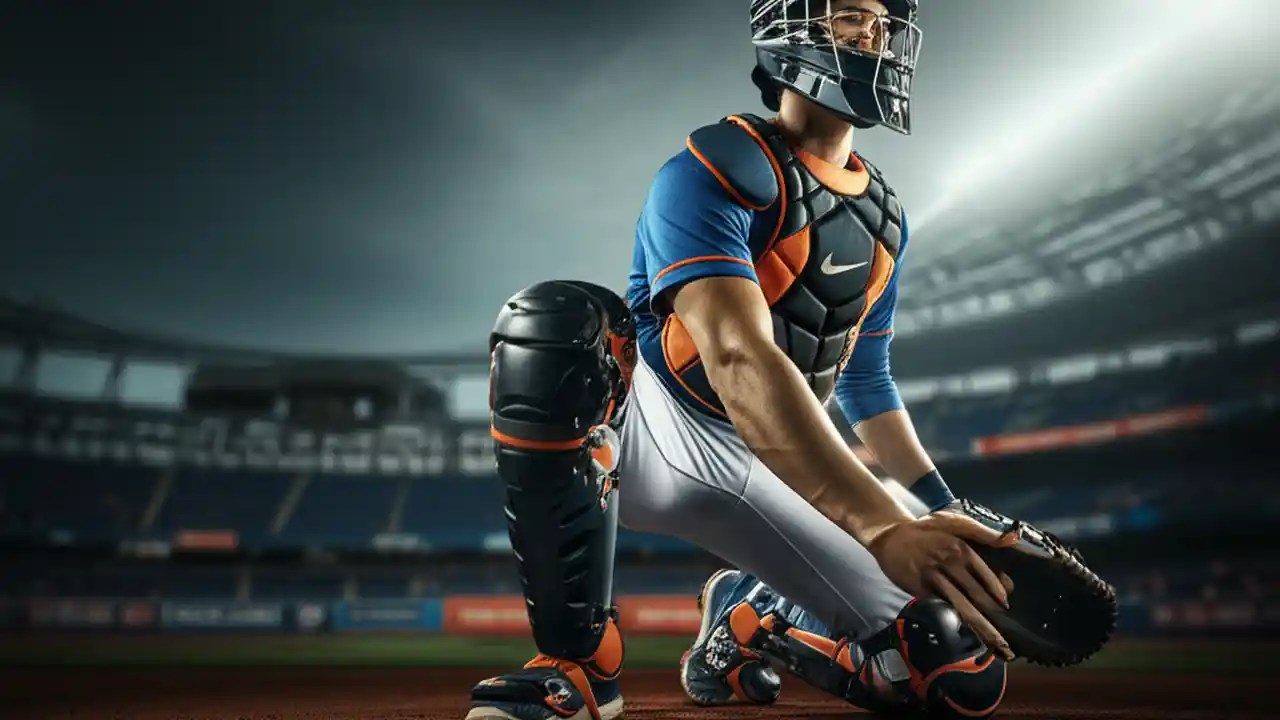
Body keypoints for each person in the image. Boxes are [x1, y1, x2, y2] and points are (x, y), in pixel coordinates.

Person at [469, 2, 1014, 719]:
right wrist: (885, 526)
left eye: (883, 22)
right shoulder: (714, 166)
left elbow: (867, 380)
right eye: (854, 15)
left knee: (953, 667)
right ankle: (577, 665)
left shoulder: (885, 216)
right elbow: (737, 355)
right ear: (793, 29)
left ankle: (755, 616)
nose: (875, 36)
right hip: (657, 429)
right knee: (555, 326)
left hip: (782, 464)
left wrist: (944, 509)